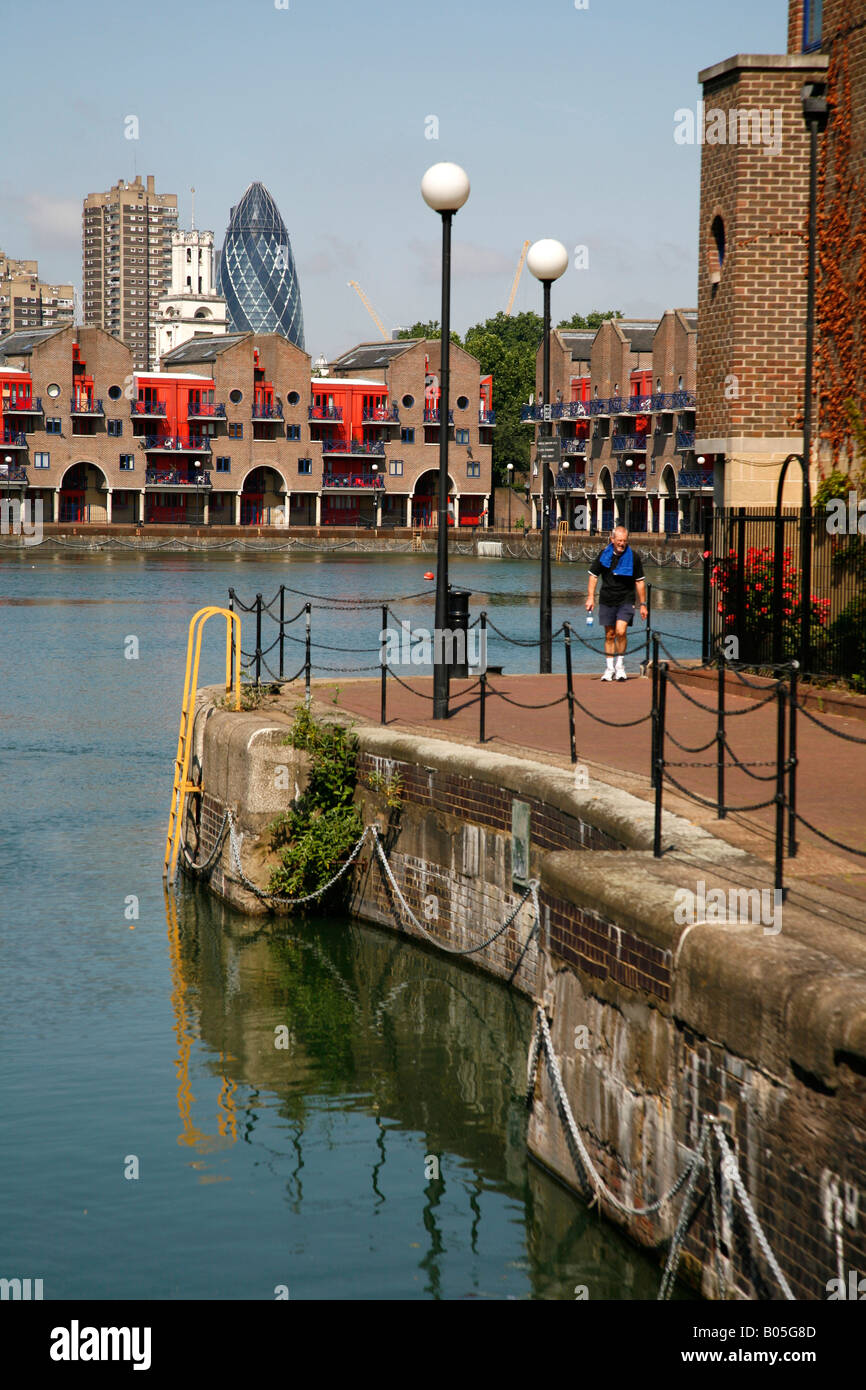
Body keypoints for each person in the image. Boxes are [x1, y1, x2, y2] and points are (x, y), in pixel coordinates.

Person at [585, 524, 647, 681]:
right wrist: (591, 597)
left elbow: (639, 582)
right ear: (612, 539)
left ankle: (620, 666)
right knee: (610, 635)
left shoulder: (633, 557)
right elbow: (593, 576)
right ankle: (609, 668)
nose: (621, 543)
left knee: (620, 631)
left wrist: (643, 604)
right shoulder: (604, 555)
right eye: (619, 540)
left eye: (624, 541)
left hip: (626, 599)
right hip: (607, 598)